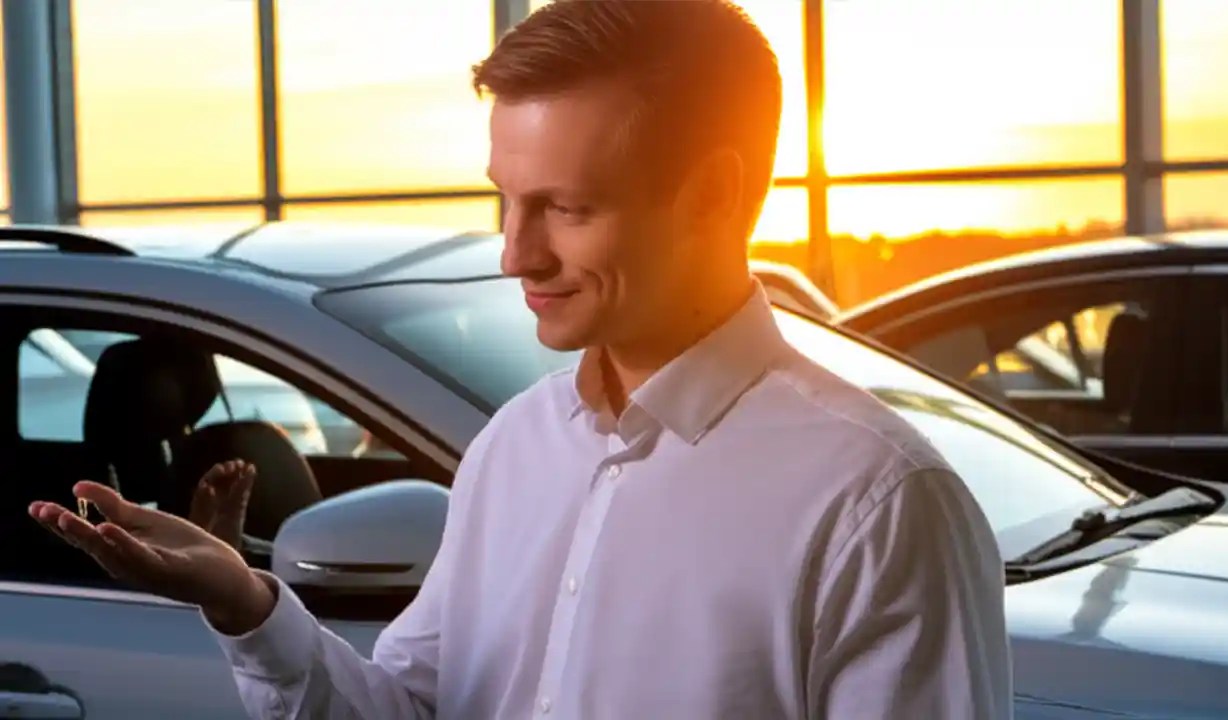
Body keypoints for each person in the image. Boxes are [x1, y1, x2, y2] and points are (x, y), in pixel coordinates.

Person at [30, 1, 1012, 718]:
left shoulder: (878, 504)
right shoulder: (514, 449)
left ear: (714, 195)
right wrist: (247, 605)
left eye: (566, 208)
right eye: (506, 199)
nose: (514, 254)